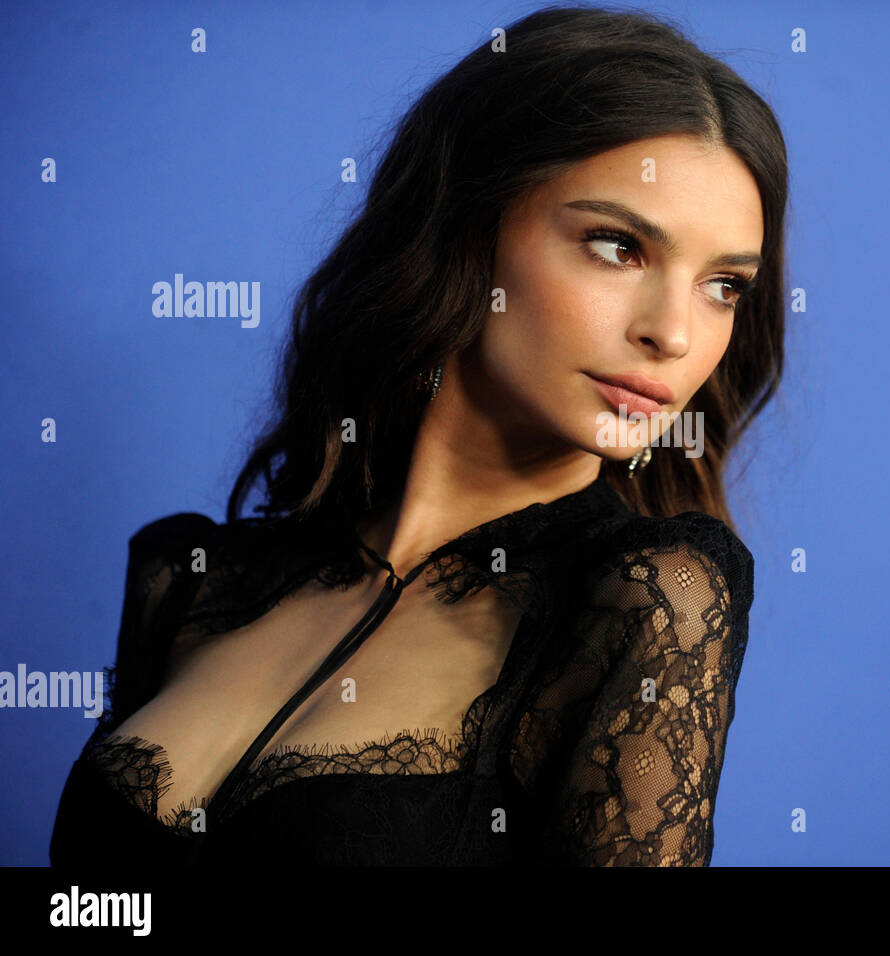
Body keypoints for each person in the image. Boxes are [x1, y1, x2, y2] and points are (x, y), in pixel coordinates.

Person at [49, 5, 787, 866]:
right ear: (466, 227)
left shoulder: (647, 601)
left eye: (725, 286)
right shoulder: (192, 583)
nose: (675, 333)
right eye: (618, 246)